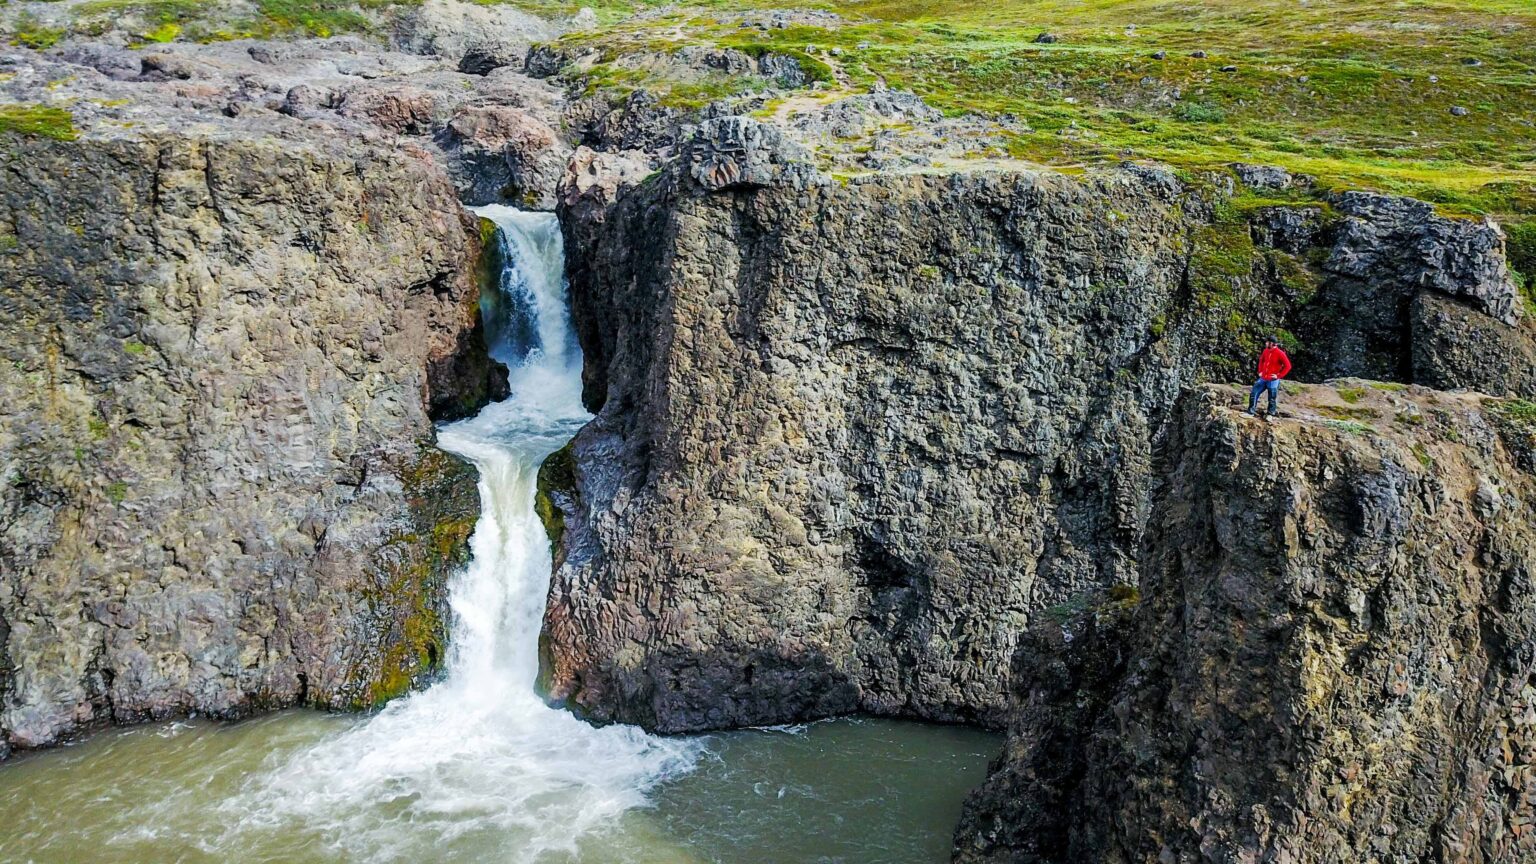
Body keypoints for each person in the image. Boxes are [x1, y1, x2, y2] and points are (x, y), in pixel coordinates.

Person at [1246, 336, 1292, 417]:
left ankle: (1270, 414)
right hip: (1263, 377)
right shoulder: (1265, 351)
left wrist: (1278, 375)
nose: (1266, 343)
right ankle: (1250, 412)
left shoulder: (1280, 353)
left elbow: (1288, 366)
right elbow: (1261, 360)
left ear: (1273, 343)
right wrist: (1260, 371)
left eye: (1268, 342)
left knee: (1272, 398)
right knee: (1254, 393)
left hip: (1273, 379)